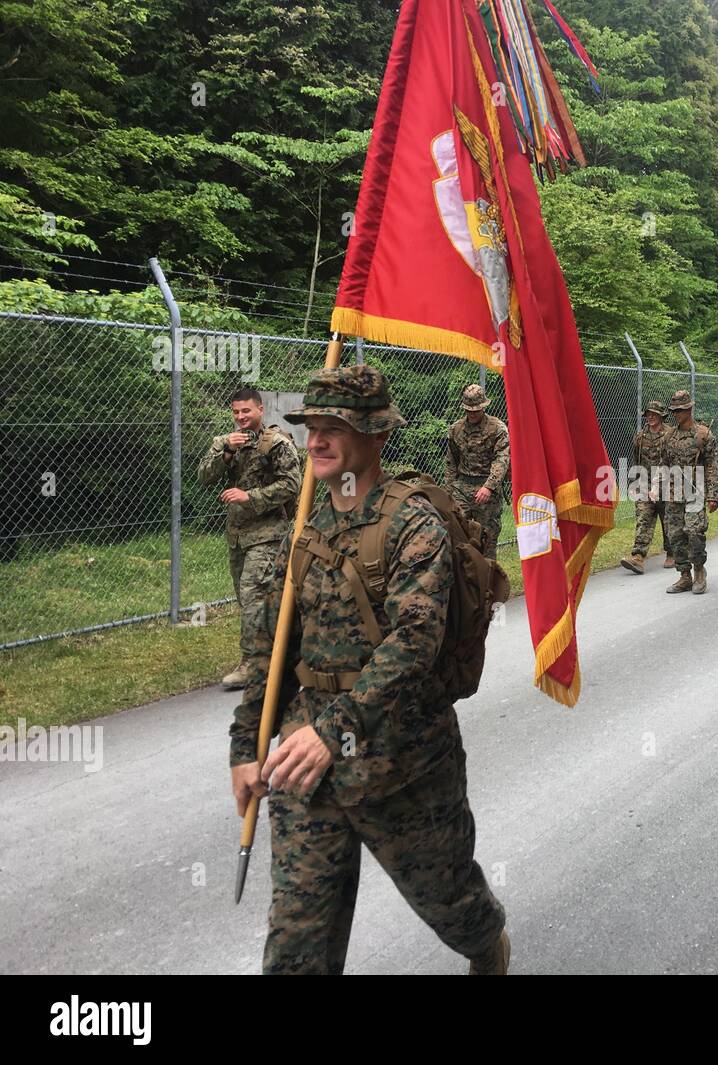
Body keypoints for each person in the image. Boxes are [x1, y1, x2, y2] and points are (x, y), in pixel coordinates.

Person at [229, 365, 509, 976]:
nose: (318, 440)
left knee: (453, 906)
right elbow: (270, 651)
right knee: (298, 942)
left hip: (403, 759)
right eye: (312, 426)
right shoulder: (300, 530)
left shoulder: (414, 524)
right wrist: (245, 746)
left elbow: (414, 643)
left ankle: (489, 947)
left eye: (337, 427)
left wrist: (334, 733)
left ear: (376, 436)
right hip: (306, 765)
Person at [198, 387, 302, 690]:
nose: (241, 417)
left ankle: (252, 666)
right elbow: (204, 476)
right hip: (238, 536)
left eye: (247, 411)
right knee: (251, 601)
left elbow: (291, 485)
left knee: (254, 596)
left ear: (260, 411)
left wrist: (250, 496)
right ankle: (281, 654)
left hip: (268, 535)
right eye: (236, 412)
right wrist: (226, 452)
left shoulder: (277, 443)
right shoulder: (226, 443)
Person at [662, 389, 718, 595]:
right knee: (675, 535)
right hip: (673, 492)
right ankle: (684, 575)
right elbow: (664, 464)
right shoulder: (669, 435)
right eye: (674, 410)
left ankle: (699, 571)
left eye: (681, 409)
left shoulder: (704, 435)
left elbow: (713, 466)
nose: (677, 413)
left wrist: (713, 495)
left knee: (695, 532)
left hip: (696, 491)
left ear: (690, 409)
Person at [447, 383, 510, 560]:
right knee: (457, 536)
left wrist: (489, 486)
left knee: (487, 540)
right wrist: (449, 492)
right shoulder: (456, 429)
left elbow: (502, 459)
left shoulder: (497, 429)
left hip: (486, 490)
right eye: (469, 410)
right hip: (462, 487)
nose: (472, 413)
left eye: (476, 409)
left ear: (483, 406)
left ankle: (489, 584)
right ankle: (464, 584)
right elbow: (451, 462)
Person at [620, 400, 673, 574]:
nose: (650, 417)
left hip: (666, 486)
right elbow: (637, 461)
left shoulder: (670, 434)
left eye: (653, 414)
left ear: (661, 416)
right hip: (645, 485)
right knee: (643, 518)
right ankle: (638, 557)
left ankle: (672, 552)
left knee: (669, 521)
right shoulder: (640, 437)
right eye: (648, 414)